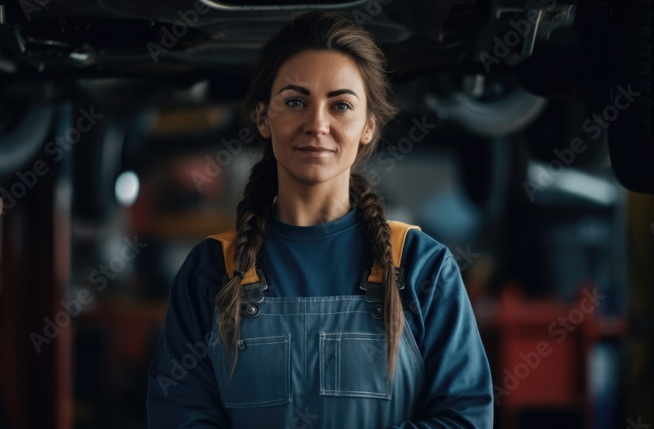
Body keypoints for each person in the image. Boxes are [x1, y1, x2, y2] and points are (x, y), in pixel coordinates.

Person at [147, 11, 493, 428]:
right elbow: (179, 415)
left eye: (341, 105)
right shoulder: (210, 269)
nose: (317, 124)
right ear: (262, 117)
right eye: (295, 102)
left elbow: (466, 418)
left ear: (368, 126)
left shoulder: (422, 266)